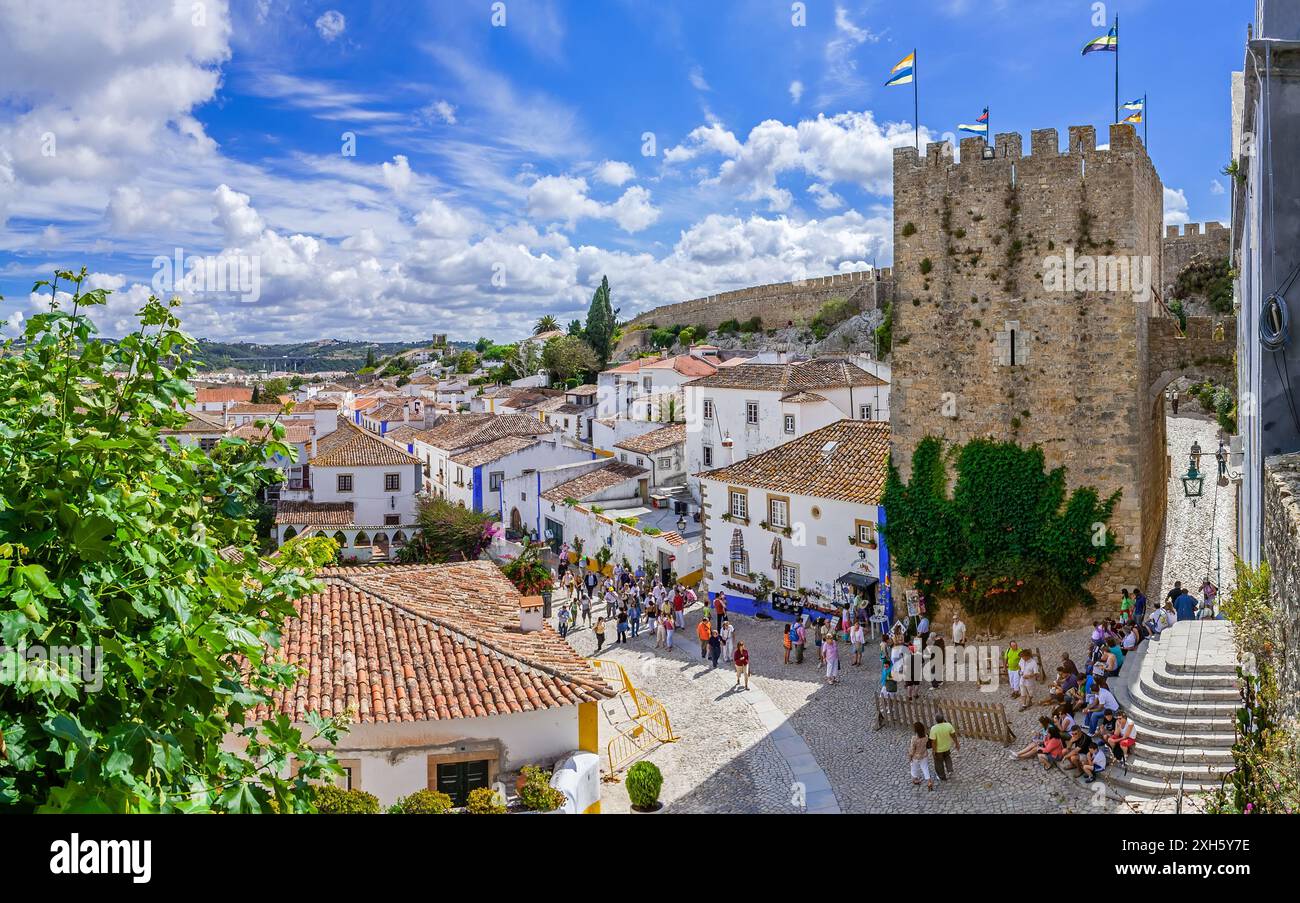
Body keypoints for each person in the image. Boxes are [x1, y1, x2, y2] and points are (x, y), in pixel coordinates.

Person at [929, 715, 959, 781]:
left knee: (938, 762)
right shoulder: (948, 725)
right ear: (943, 719)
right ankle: (950, 770)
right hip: (947, 747)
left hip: (938, 750)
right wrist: (957, 743)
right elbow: (953, 735)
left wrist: (933, 750)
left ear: (936, 720)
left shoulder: (934, 728)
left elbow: (933, 741)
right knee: (947, 757)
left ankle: (942, 776)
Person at [908, 722, 935, 791]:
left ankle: (915, 779)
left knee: (914, 768)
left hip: (916, 757)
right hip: (924, 755)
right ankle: (929, 781)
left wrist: (910, 756)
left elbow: (912, 749)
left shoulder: (914, 738)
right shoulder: (926, 736)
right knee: (925, 768)